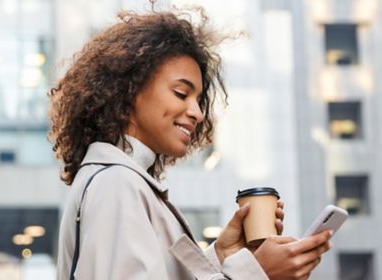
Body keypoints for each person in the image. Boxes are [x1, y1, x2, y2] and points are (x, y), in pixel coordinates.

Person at [48, 7, 332, 280]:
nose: (197, 113)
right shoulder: (117, 183)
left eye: (198, 100)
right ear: (129, 92)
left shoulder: (122, 180)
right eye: (181, 93)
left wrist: (222, 254)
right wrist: (259, 273)